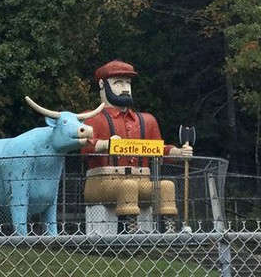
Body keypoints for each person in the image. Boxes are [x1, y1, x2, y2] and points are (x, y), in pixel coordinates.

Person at [81, 60, 192, 229]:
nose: (125, 88)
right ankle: (130, 231)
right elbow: (84, 146)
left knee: (166, 186)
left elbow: (159, 149)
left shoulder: (147, 120)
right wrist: (105, 144)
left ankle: (168, 229)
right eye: (118, 83)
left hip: (142, 180)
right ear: (102, 84)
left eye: (128, 82)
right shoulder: (92, 117)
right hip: (103, 182)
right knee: (128, 186)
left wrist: (178, 152)